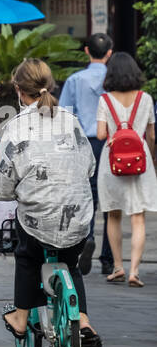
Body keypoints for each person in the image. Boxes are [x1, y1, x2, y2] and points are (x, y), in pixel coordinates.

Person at [0, 58, 102, 347]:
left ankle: (20, 317)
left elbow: (3, 189)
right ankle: (82, 321)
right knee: (70, 263)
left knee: (27, 256)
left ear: (18, 90)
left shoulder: (15, 127)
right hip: (79, 217)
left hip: (38, 220)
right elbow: (89, 166)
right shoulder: (72, 120)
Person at [95, 51, 157, 288]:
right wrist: (149, 155)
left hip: (113, 162)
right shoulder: (146, 98)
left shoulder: (105, 100)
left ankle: (118, 267)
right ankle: (134, 271)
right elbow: (151, 134)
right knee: (138, 216)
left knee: (113, 214)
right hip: (140, 161)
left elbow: (101, 134)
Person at [58, 32, 113, 276]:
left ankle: (87, 238)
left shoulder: (74, 80)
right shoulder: (117, 79)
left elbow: (64, 117)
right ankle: (110, 259)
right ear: (109, 53)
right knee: (112, 200)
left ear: (86, 52)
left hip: (84, 143)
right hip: (112, 144)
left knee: (87, 195)